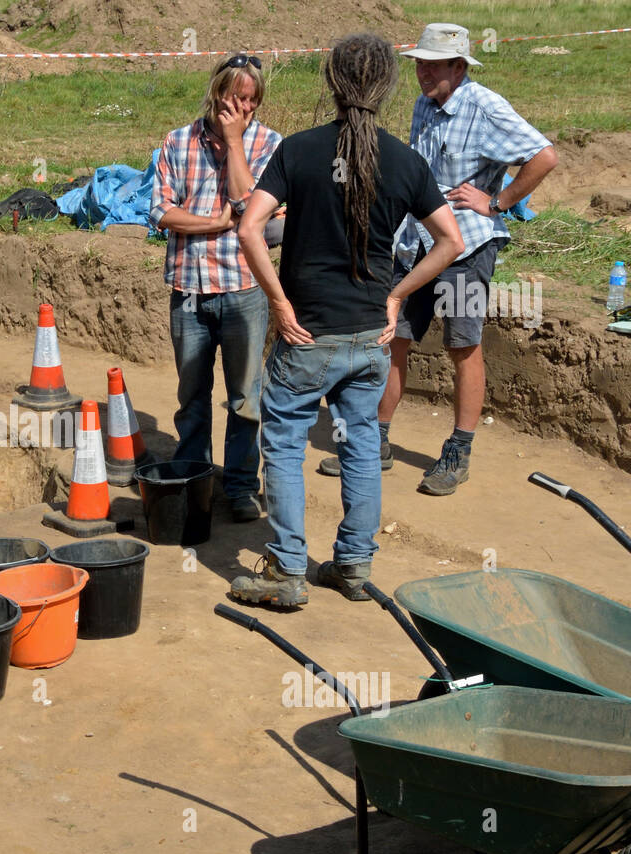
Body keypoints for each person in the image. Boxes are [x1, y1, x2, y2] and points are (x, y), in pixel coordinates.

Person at [228, 32, 464, 608]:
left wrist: (279, 303)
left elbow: (249, 228)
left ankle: (287, 573)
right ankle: (353, 567)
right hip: (368, 337)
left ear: (333, 82)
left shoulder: (298, 151)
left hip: (306, 332)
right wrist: (395, 296)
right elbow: (450, 241)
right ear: (386, 86)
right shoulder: (405, 161)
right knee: (360, 445)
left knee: (283, 446)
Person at [318, 22, 558, 495]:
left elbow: (544, 156)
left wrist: (498, 202)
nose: (422, 73)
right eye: (419, 64)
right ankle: (376, 441)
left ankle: (458, 450)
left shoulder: (485, 107)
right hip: (416, 243)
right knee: (395, 338)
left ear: (459, 66)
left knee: (461, 345)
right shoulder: (423, 106)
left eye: (432, 65)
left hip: (467, 246)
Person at [149, 53, 282, 522]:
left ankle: (242, 487)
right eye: (235, 98)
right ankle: (193, 478)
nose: (243, 109)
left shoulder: (268, 144)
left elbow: (250, 207)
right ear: (216, 92)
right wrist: (210, 223)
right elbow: (160, 212)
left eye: (251, 101)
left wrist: (234, 142)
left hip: (244, 286)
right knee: (192, 394)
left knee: (245, 397)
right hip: (188, 287)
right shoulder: (177, 141)